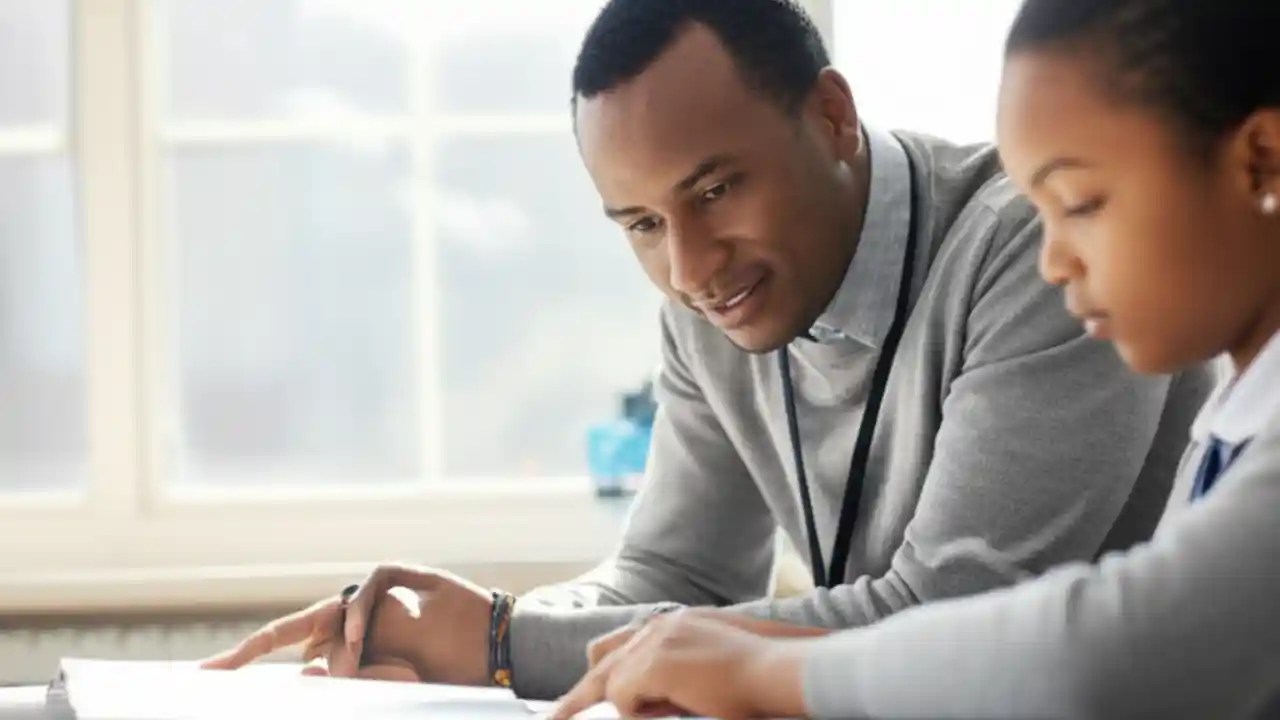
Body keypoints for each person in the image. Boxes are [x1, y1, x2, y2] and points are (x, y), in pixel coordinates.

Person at [202, 0, 1212, 700]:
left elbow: (948, 622)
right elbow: (675, 567)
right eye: (638, 224)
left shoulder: (1042, 248)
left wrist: (511, 644)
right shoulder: (712, 299)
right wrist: (465, 634)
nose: (687, 267)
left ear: (831, 118)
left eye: (715, 189)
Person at [550, 0, 1280, 717]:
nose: (1055, 261)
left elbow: (1104, 651)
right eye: (643, 224)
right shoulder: (1235, 420)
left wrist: (765, 667)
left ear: (1262, 163)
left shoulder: (1006, 255)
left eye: (1081, 202)